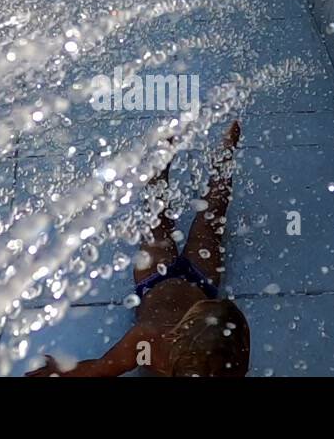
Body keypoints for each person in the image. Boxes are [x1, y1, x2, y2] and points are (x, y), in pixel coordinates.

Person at [26, 121, 250, 377]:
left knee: (158, 221)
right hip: (201, 282)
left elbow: (100, 369)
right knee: (210, 217)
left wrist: (61, 373)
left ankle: (164, 165)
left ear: (177, 335)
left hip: (156, 280)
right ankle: (216, 157)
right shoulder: (216, 366)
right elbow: (98, 371)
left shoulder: (148, 342)